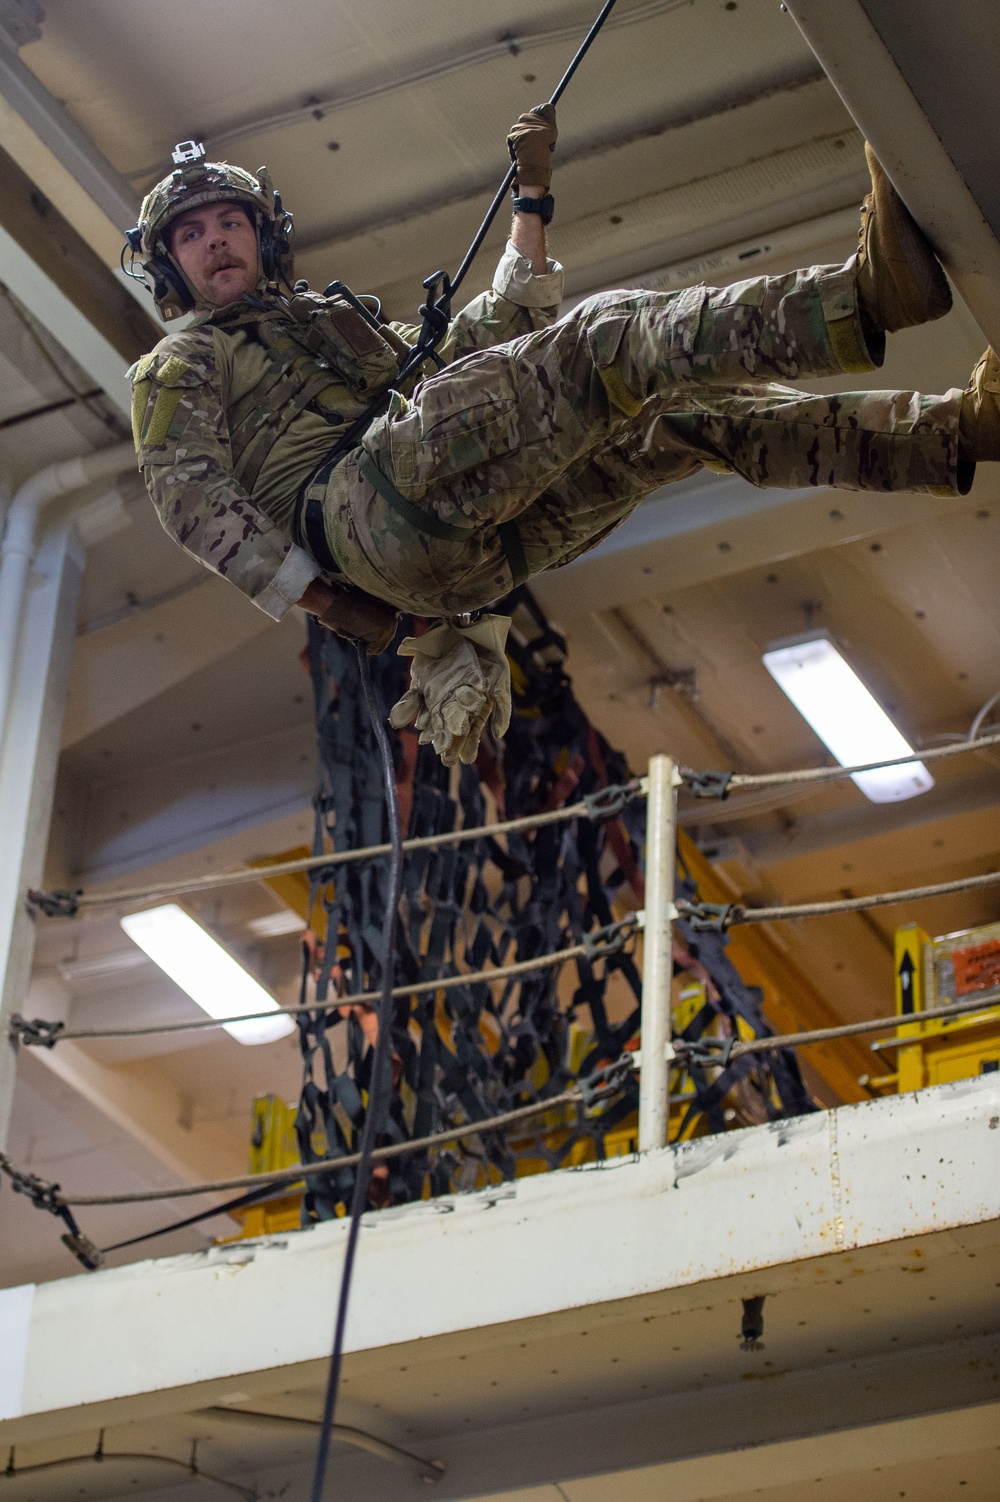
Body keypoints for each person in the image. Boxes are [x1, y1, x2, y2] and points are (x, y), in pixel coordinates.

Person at [127, 113, 999, 765]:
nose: (215, 243)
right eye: (191, 235)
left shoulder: (327, 322)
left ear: (261, 232)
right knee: (609, 342)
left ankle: (954, 434)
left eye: (227, 222)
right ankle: (867, 298)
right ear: (171, 266)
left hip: (467, 549)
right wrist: (351, 615)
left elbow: (472, 355)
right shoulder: (182, 362)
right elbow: (194, 504)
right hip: (364, 517)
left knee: (678, 422)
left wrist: (531, 202)